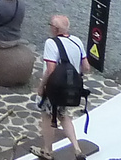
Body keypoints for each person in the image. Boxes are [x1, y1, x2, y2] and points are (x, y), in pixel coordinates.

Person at [37, 15, 91, 159]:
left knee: (47, 117)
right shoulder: (77, 41)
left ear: (55, 29)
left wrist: (41, 86)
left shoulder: (51, 43)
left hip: (54, 88)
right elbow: (86, 67)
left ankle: (47, 150)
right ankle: (77, 148)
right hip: (70, 88)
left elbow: (50, 70)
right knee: (63, 115)